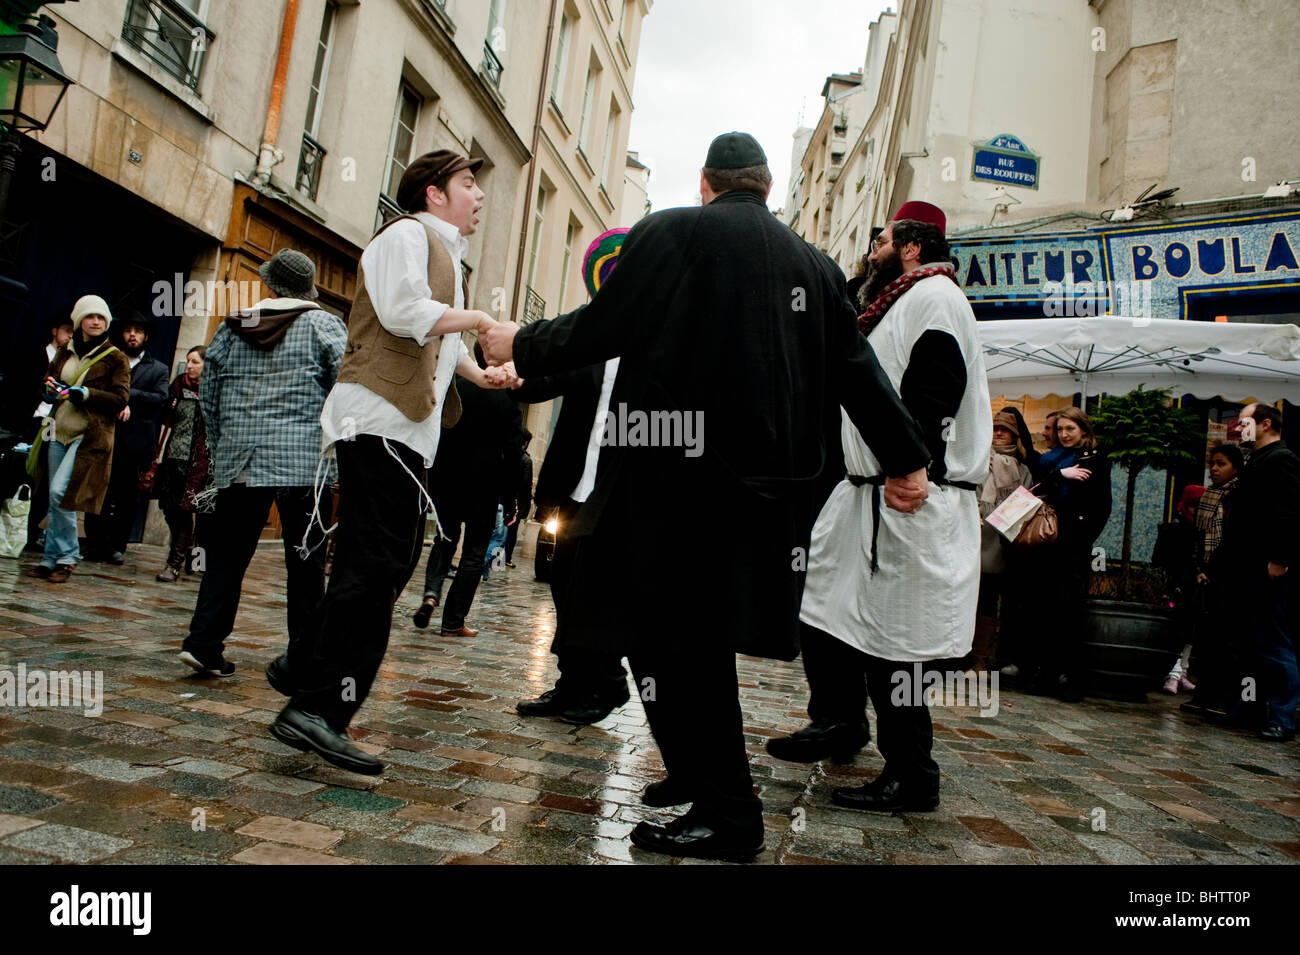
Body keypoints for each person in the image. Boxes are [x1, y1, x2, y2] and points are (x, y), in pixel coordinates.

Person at [481, 132, 930, 861]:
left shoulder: (673, 232)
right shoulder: (813, 264)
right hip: (769, 501)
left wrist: (520, 343)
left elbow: (603, 327)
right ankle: (701, 780)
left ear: (706, 182)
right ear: (765, 184)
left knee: (673, 646)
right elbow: (858, 370)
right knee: (686, 643)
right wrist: (908, 457)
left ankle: (729, 812)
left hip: (673, 488)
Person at [272, 149, 518, 776]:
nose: (479, 195)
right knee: (377, 562)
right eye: (469, 184)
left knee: (385, 558)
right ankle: (320, 707)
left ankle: (307, 671)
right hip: (378, 419)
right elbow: (406, 313)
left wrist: (478, 374)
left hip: (403, 428)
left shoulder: (445, 254)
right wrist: (486, 318)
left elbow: (441, 335)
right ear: (435, 193)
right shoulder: (406, 235)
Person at [770, 201, 992, 816]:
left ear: (913, 246)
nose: (873, 249)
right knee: (823, 609)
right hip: (866, 490)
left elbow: (934, 390)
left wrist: (909, 467)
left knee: (897, 643)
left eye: (882, 239)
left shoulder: (936, 300)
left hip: (909, 494)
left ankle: (912, 774)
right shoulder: (896, 300)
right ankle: (840, 722)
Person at [177, 249, 348, 678]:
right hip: (304, 462)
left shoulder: (233, 328)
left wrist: (222, 448)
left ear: (270, 287)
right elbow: (345, 390)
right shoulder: (324, 325)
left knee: (226, 557)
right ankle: (305, 657)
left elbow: (209, 395)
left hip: (241, 460)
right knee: (305, 563)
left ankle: (203, 644)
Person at [412, 347, 523, 634]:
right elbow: (513, 454)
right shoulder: (507, 399)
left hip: (448, 481)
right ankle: (453, 621)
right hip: (484, 487)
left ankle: (431, 594)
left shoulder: (456, 386)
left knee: (444, 540)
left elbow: (436, 431)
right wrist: (511, 500)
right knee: (473, 553)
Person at [1206, 404, 1299, 741]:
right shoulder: (1257, 461)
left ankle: (1283, 718)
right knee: (1248, 644)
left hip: (1264, 567)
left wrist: (1280, 558)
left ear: (1265, 423)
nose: (1237, 428)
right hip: (1243, 567)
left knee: (1273, 643)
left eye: (1243, 422)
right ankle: (1249, 707)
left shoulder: (1281, 459)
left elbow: (1289, 513)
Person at [25, 295, 130, 583]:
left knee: (62, 493)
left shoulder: (115, 357)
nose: (96, 321)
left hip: (89, 436)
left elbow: (121, 398)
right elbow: (49, 382)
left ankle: (69, 556)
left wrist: (85, 394)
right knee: (53, 495)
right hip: (58, 429)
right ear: (78, 320)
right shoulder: (65, 351)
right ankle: (49, 559)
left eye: (101, 317)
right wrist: (48, 391)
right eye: (89, 316)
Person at [1023, 406, 1111, 701]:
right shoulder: (1051, 460)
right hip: (1048, 539)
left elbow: (1101, 505)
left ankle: (1075, 680)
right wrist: (1060, 474)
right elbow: (1035, 486)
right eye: (1060, 429)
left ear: (1084, 430)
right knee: (1047, 609)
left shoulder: (1095, 460)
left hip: (1073, 543)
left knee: (1070, 611)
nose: (1064, 434)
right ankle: (1046, 675)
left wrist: (1083, 539)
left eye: (1070, 429)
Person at [84, 312, 169, 564]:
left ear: (146, 336)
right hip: (104, 436)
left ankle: (117, 545)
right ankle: (94, 544)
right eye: (128, 330)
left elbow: (160, 399)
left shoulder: (158, 368)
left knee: (124, 498)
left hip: (135, 441)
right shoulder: (111, 361)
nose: (132, 335)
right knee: (98, 491)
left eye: (138, 331)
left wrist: (127, 396)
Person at [1179, 443, 1241, 714]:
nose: (1214, 469)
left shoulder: (1239, 496)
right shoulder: (1208, 497)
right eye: (1212, 464)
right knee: (1204, 637)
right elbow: (1199, 537)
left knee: (1226, 639)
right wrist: (1198, 568)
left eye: (1221, 464)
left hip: (1229, 574)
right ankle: (1203, 694)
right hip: (1205, 573)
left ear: (1236, 468)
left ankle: (1223, 697)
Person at [973, 410, 1033, 672]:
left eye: (1004, 429)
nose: (998, 433)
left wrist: (1003, 518)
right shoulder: (978, 461)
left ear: (1015, 434)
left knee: (988, 601)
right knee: (966, 600)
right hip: (972, 538)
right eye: (995, 428)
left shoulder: (1023, 469)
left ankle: (979, 658)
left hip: (1000, 542)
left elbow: (1025, 501)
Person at [154, 346, 214, 582]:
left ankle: (175, 563)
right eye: (188, 361)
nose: (189, 366)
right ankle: (186, 553)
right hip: (173, 458)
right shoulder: (177, 388)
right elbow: (164, 419)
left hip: (201, 463)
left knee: (193, 513)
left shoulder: (212, 392)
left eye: (195, 362)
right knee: (171, 510)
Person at [23, 314, 75, 550]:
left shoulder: (71, 360)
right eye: (66, 330)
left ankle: (32, 530)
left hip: (55, 423)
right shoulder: (38, 354)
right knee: (25, 472)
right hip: (34, 420)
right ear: (55, 331)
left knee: (46, 479)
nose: (70, 336)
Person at [1153, 484, 1205, 694]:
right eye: (1193, 506)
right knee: (1178, 628)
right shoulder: (1173, 529)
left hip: (1197, 587)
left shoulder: (1205, 531)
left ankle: (1182, 670)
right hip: (1178, 586)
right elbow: (1161, 560)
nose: (1195, 511)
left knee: (1192, 630)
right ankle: (1173, 672)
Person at [503, 431, 533, 567]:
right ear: (526, 443)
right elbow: (526, 484)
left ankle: (496, 558)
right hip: (517, 502)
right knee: (511, 532)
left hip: (503, 498)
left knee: (501, 530)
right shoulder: (526, 460)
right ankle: (505, 559)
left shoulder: (507, 454)